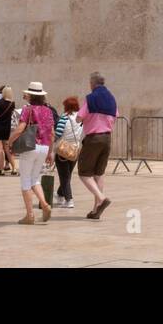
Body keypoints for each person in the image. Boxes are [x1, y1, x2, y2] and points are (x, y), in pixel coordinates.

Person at [9, 82, 55, 224]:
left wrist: (9, 141)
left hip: (31, 146)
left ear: (31, 95)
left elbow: (20, 128)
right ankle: (45, 204)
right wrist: (50, 152)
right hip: (45, 147)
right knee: (35, 178)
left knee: (25, 181)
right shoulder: (48, 111)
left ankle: (30, 215)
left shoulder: (28, 109)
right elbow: (52, 133)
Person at [77, 72, 117, 219]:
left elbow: (79, 117)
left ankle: (101, 198)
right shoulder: (112, 99)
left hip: (93, 138)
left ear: (92, 84)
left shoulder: (91, 98)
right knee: (99, 173)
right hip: (107, 138)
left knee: (84, 173)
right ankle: (95, 210)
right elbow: (115, 117)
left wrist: (83, 119)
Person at [53, 96, 83, 209]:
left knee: (64, 176)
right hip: (75, 150)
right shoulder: (80, 118)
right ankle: (60, 194)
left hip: (63, 150)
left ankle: (69, 200)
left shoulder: (64, 118)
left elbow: (58, 133)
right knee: (67, 174)